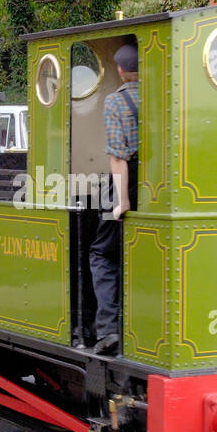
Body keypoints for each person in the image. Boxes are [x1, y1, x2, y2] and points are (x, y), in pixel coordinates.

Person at [89, 38, 140, 355]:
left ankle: (109, 330)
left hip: (127, 182)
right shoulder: (163, 96)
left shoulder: (116, 102)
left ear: (121, 71)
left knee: (102, 254)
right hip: (161, 182)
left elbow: (118, 158)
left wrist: (121, 201)